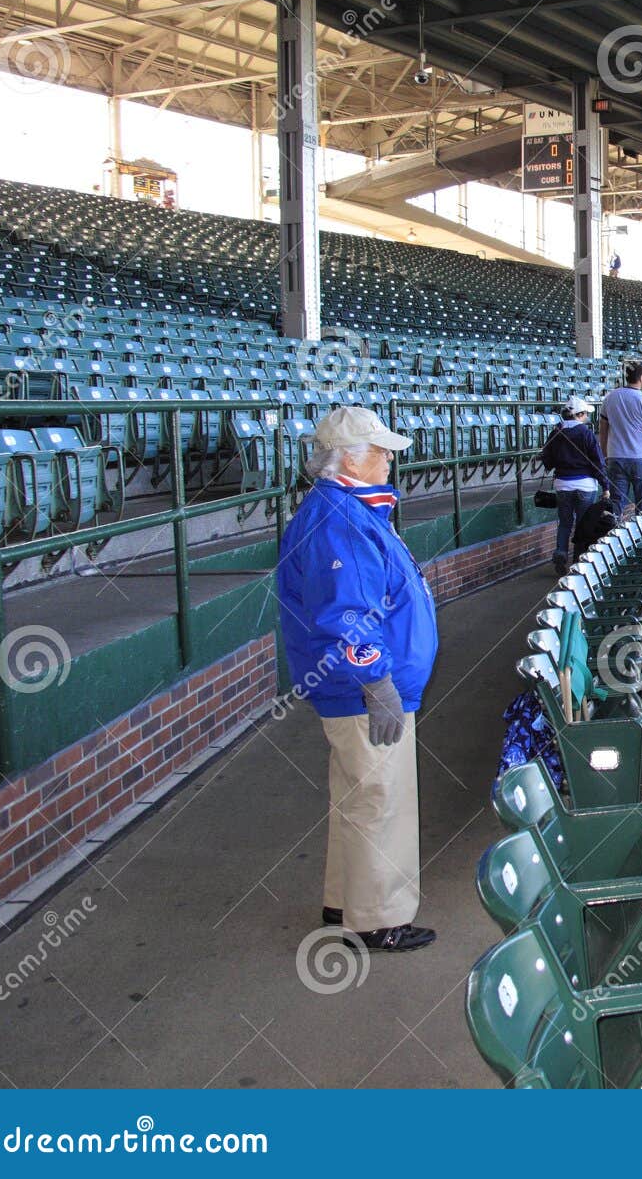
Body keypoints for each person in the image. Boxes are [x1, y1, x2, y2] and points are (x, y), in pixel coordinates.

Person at [276, 407, 439, 953]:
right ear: (348, 458)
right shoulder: (338, 521)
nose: (390, 457)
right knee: (380, 798)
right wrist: (378, 683)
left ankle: (345, 900)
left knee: (355, 793)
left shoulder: (346, 510)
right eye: (380, 449)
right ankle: (376, 919)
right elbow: (346, 617)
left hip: (354, 686)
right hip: (360, 689)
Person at [540, 396, 610, 576]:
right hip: (585, 485)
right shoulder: (586, 433)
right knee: (582, 525)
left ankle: (560, 552)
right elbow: (597, 462)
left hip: (563, 484)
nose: (587, 416)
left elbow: (546, 458)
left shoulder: (556, 432)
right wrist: (606, 486)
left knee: (564, 523)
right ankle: (579, 560)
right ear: (579, 414)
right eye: (585, 413)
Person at [599, 360, 642, 518]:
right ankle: (641, 540)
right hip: (641, 458)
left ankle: (613, 538)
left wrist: (605, 455)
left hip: (616, 457)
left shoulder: (609, 398)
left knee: (615, 505)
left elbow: (602, 431)